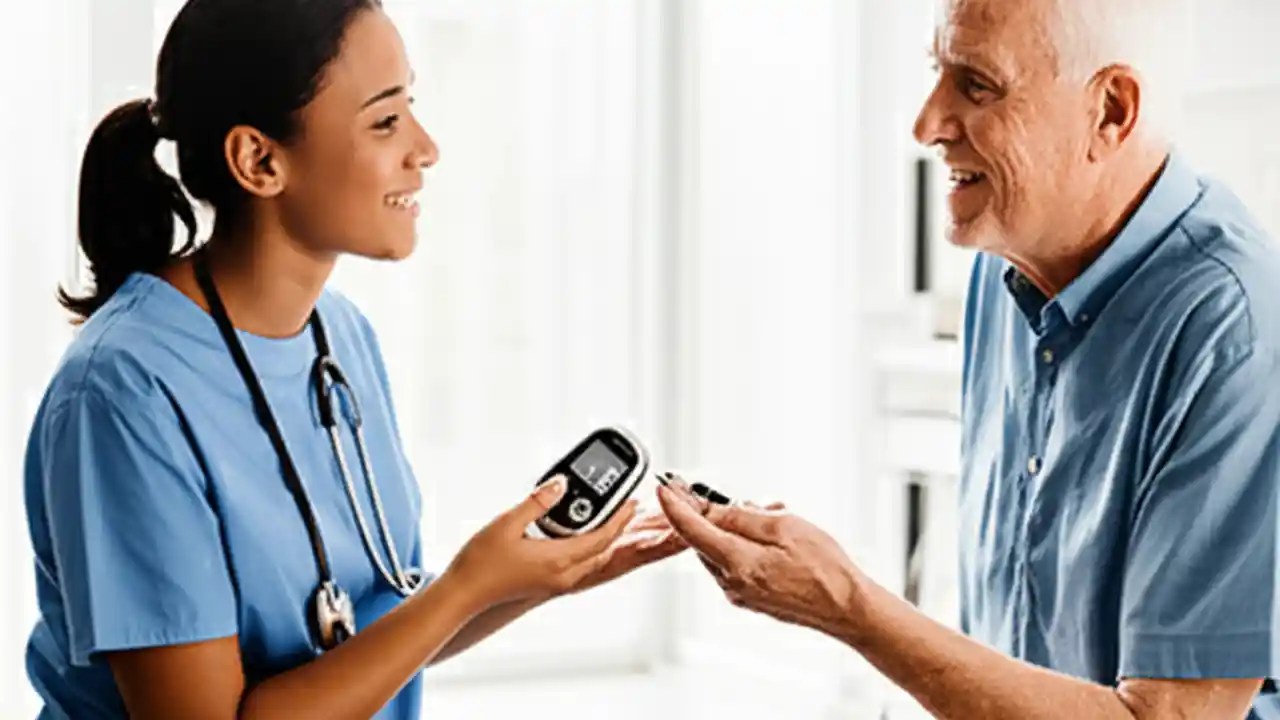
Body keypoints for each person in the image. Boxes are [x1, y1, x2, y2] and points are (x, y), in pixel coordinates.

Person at [22, 1, 685, 717]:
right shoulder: (123, 392)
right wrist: (467, 585)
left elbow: (365, 632)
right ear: (260, 160)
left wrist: (534, 575)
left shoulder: (339, 335)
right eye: (385, 121)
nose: (425, 148)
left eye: (412, 108)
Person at [657, 0, 1280, 717]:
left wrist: (850, 609)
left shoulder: (1238, 329)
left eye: (975, 85)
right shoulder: (1009, 257)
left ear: (1110, 110)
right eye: (937, 72)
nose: (926, 124)